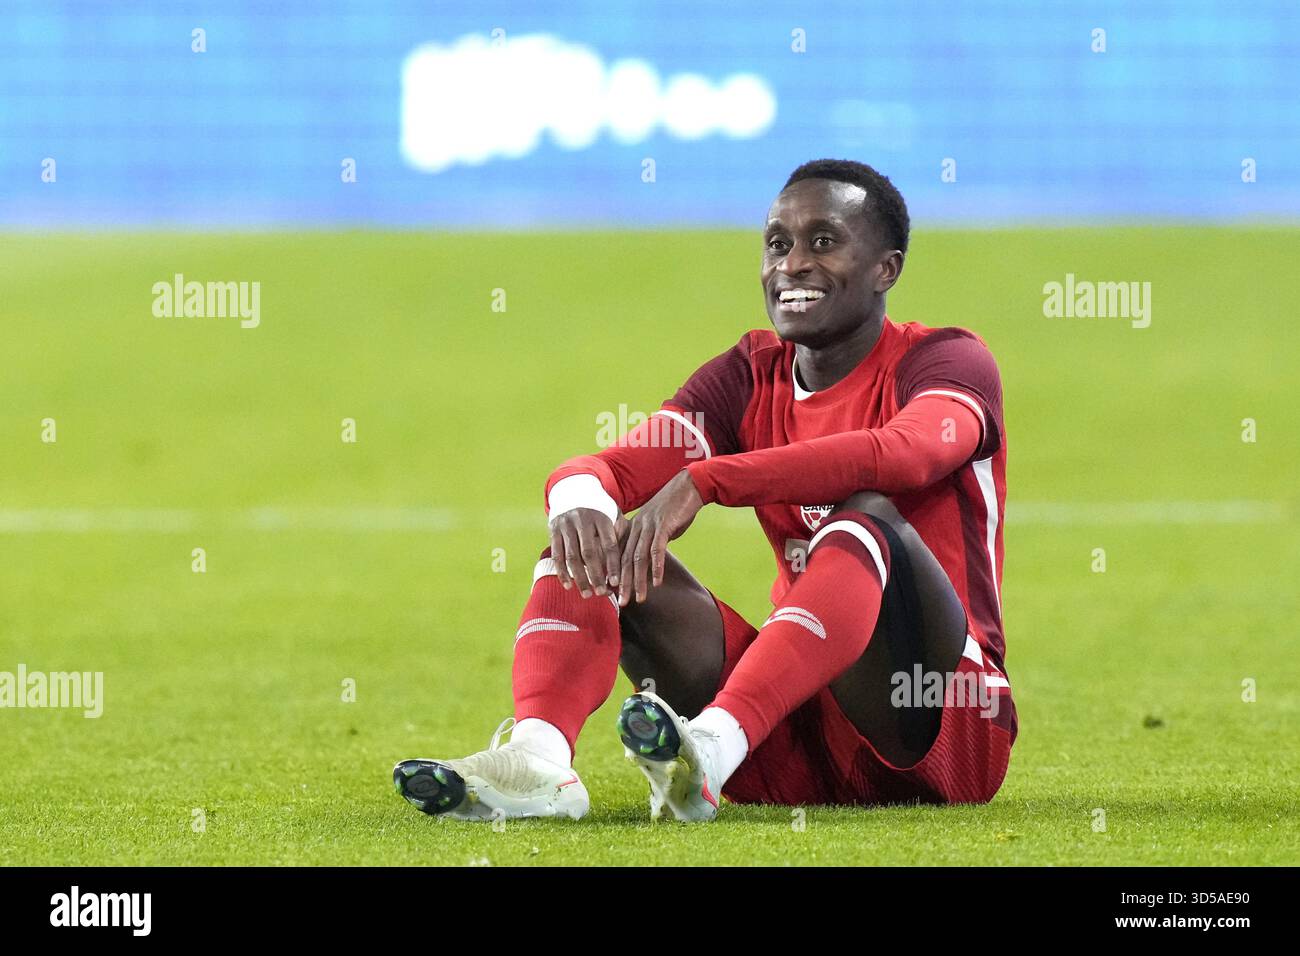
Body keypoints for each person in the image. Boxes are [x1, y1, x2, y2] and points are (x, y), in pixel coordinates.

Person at [394, 159, 1016, 822]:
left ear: (886, 269)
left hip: (944, 723)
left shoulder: (946, 361)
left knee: (866, 520)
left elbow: (904, 456)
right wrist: (580, 500)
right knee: (595, 546)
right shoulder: (748, 375)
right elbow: (616, 465)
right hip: (792, 738)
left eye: (824, 242)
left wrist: (710, 479)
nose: (793, 264)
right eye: (778, 244)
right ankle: (540, 763)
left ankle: (710, 748)